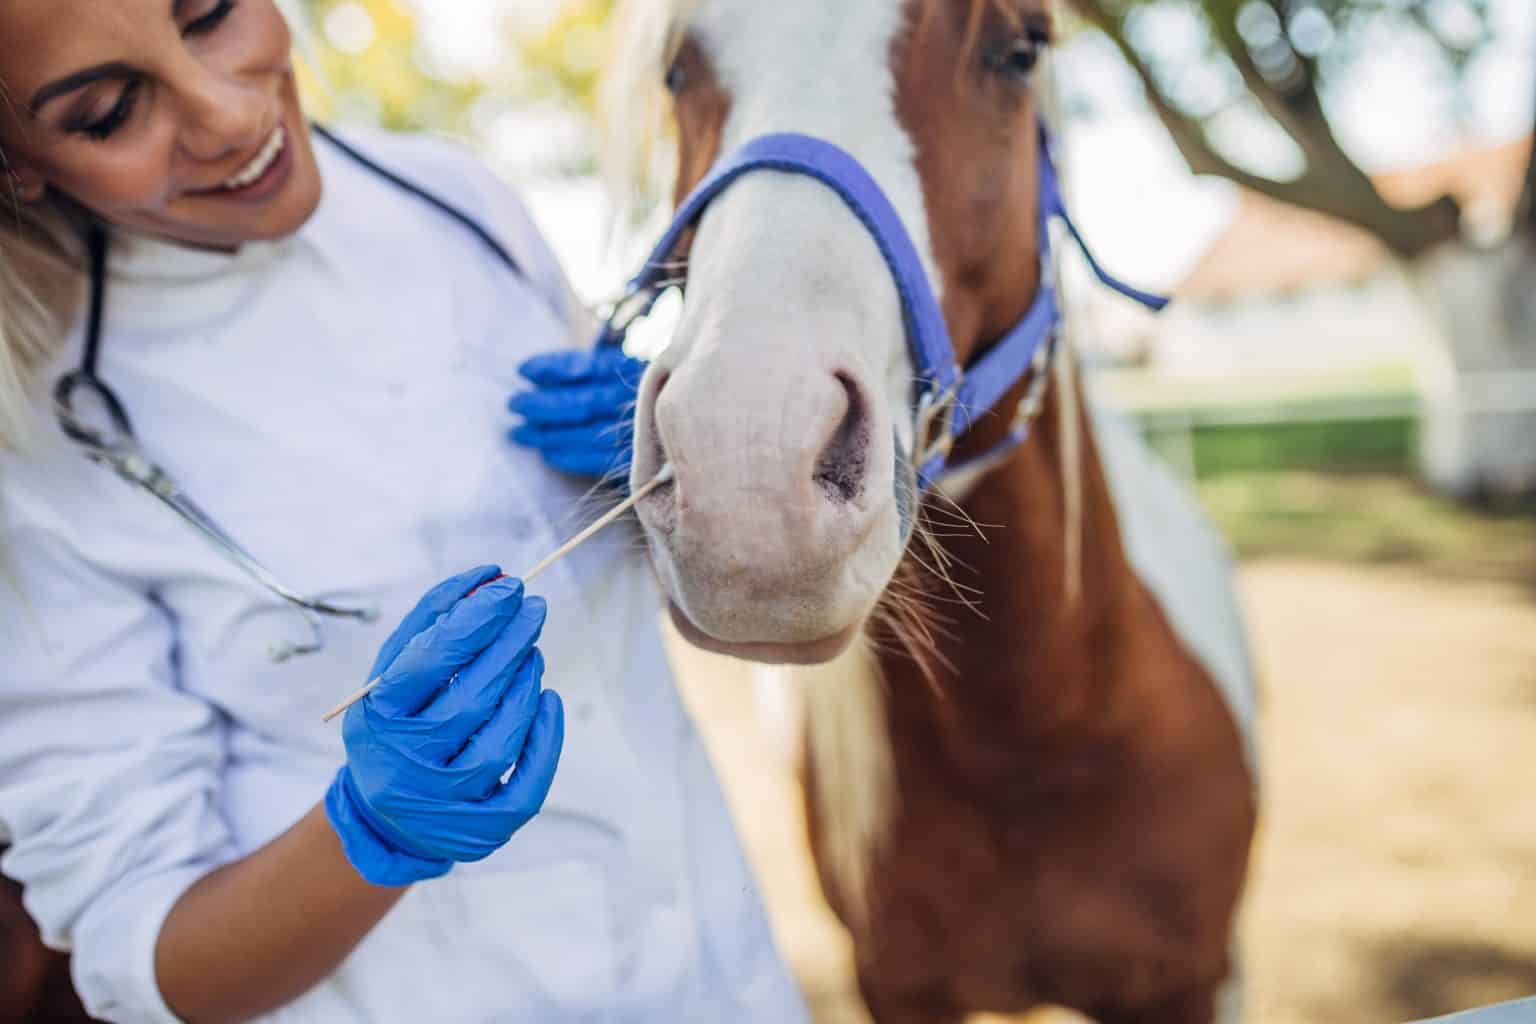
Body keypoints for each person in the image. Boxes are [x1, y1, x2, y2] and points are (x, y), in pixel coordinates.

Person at [0, 2, 809, 1021]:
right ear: (17, 161)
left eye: (211, 15)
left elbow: (641, 603)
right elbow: (143, 960)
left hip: (730, 981)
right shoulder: (40, 444)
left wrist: (664, 470)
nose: (225, 115)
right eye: (112, 111)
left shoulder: (454, 197)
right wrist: (369, 832)